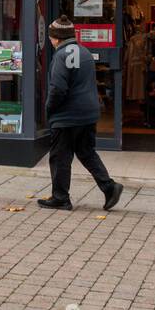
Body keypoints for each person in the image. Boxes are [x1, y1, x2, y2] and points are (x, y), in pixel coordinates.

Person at [39, 16, 124, 212]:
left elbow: (58, 88)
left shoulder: (61, 55)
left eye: (51, 37)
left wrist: (49, 108)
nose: (50, 41)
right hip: (88, 113)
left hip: (67, 116)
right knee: (86, 152)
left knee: (60, 156)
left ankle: (60, 198)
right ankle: (109, 187)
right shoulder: (84, 51)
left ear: (57, 38)